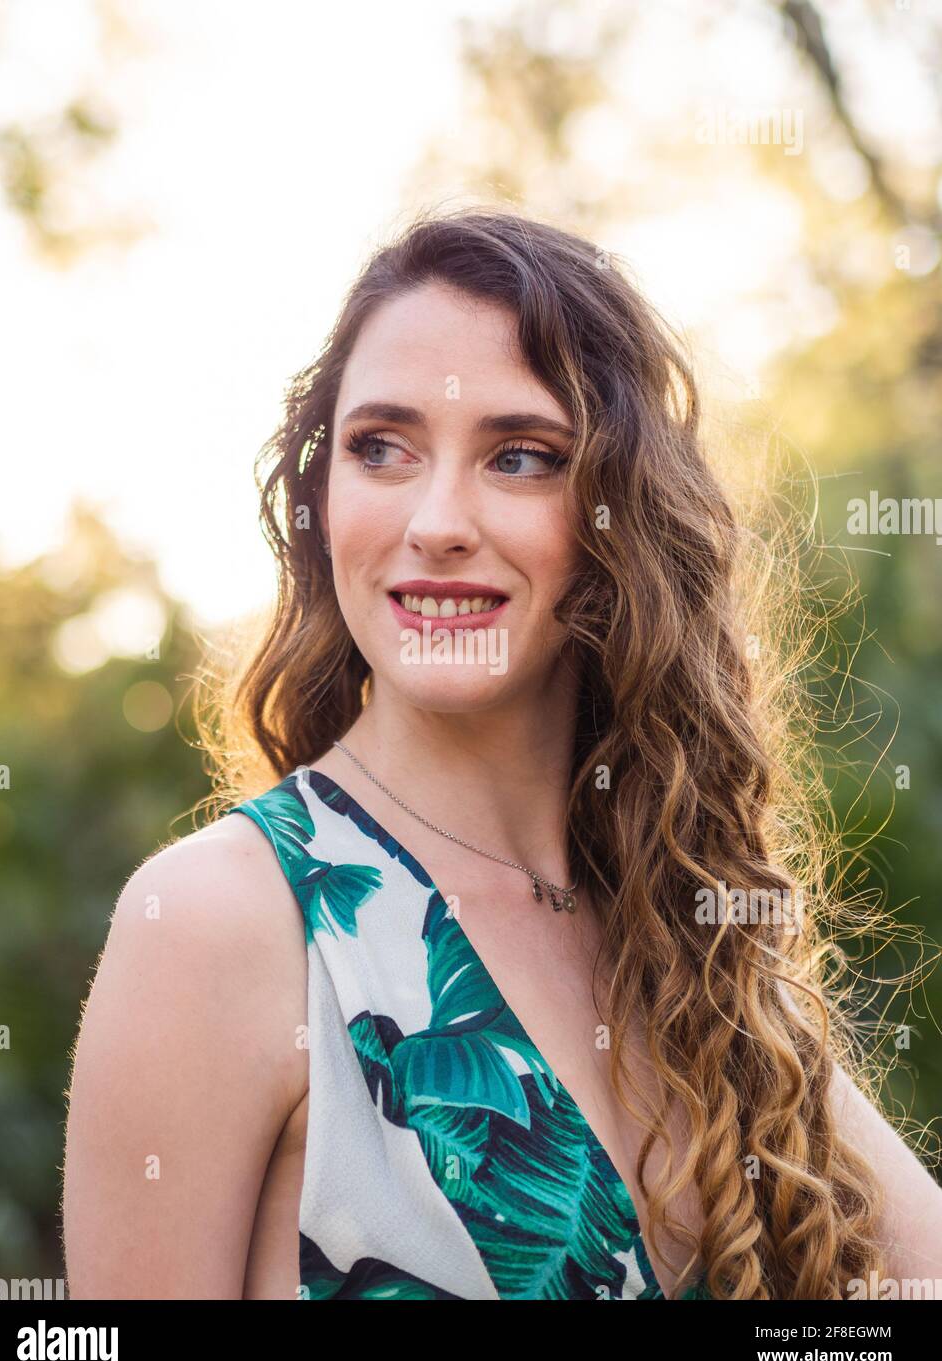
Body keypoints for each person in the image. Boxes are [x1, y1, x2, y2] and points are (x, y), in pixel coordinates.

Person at [62, 206, 942, 1300]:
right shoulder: (224, 922)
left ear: (622, 515)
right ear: (321, 498)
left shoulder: (684, 933)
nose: (437, 519)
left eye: (520, 456)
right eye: (380, 448)